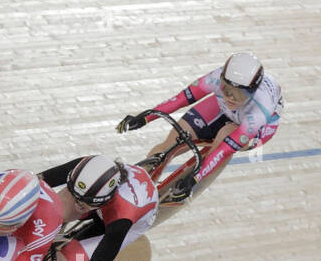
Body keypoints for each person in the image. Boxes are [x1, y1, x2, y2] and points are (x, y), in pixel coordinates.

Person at [115, 52, 284, 199]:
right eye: (226, 89)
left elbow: (223, 150)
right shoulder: (214, 78)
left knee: (222, 140)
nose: (232, 97)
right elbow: (180, 99)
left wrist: (195, 179)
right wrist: (145, 117)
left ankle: (187, 188)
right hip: (222, 108)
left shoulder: (261, 108)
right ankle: (137, 185)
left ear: (253, 91)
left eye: (240, 94)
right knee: (172, 143)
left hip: (256, 126)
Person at [34, 154, 158, 261]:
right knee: (57, 209)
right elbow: (37, 181)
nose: (77, 204)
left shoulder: (122, 218)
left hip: (125, 220)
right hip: (97, 199)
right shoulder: (87, 168)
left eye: (82, 203)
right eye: (75, 197)